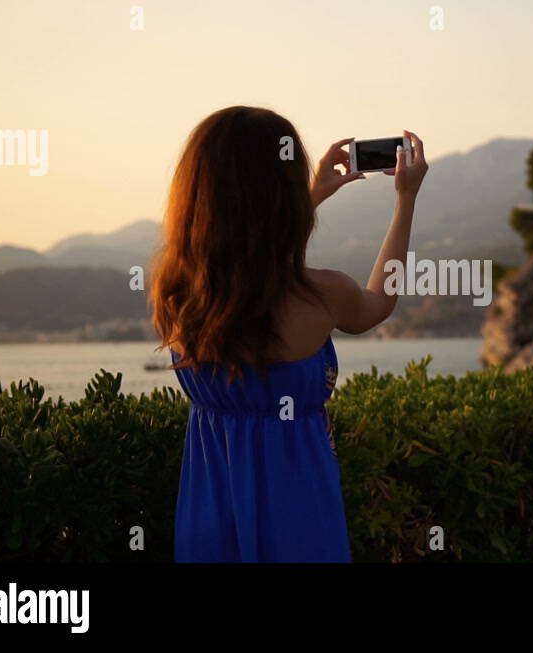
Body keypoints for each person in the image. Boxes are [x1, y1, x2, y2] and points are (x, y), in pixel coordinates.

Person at [148, 106, 428, 562]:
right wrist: (406, 199)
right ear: (283, 191)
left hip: (209, 514)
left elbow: (249, 259)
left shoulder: (177, 293)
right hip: (300, 515)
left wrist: (311, 197)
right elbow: (380, 302)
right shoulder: (322, 295)